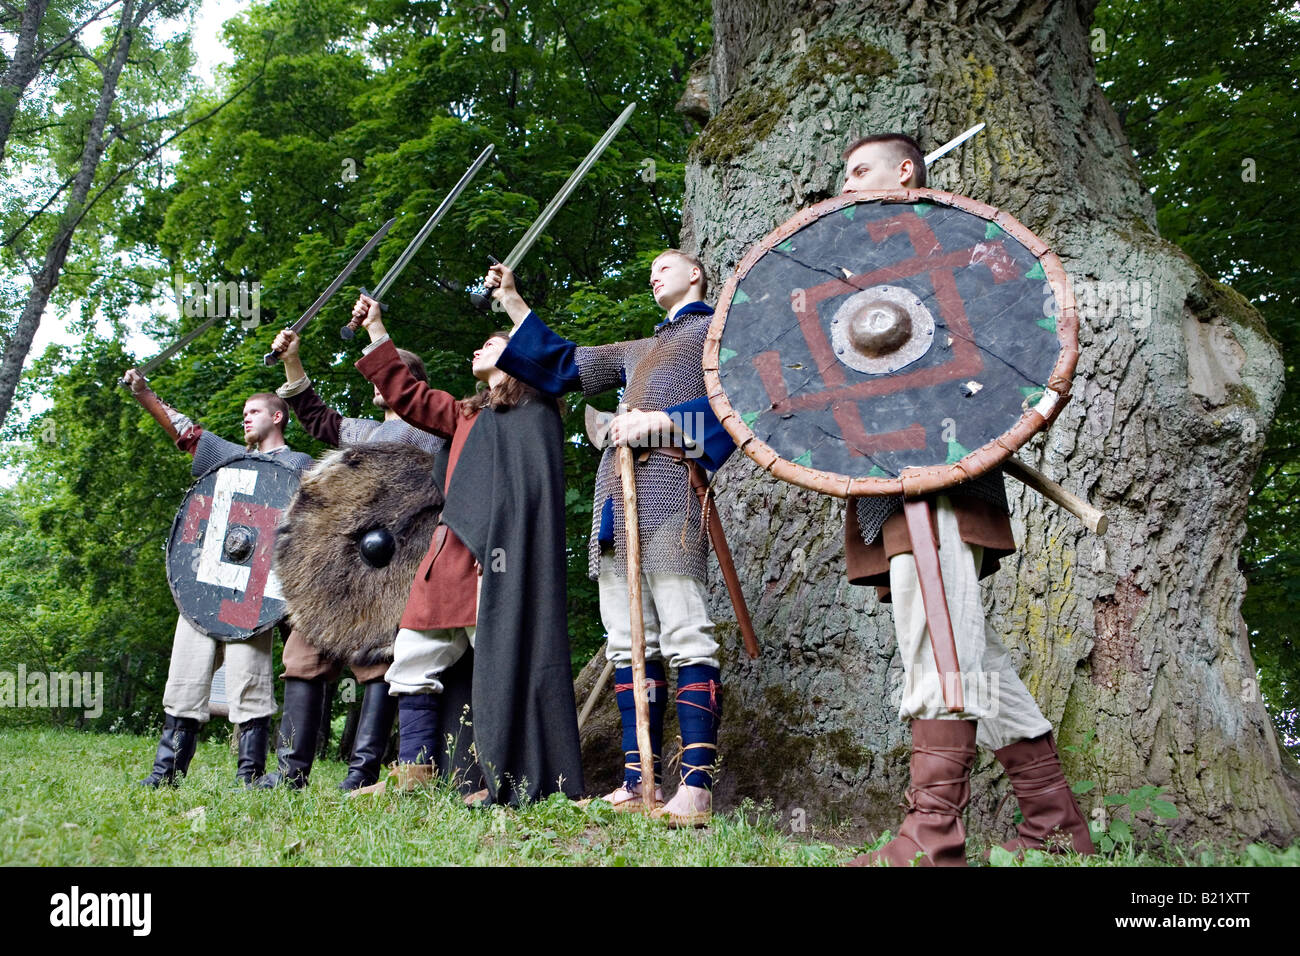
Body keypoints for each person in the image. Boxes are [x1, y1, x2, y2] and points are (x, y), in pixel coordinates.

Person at [838, 132, 1094, 865]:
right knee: (974, 654)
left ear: (906, 171)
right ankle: (1057, 824)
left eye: (861, 171)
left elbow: (1004, 352)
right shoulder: (863, 277)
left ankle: (933, 837)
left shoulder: (949, 260)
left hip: (939, 478)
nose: (847, 185)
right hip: (897, 480)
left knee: (939, 646)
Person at [484, 251, 734, 827]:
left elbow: (744, 403)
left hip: (671, 493)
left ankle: (695, 788)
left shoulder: (719, 335)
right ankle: (638, 778)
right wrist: (514, 301)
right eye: (648, 269)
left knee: (686, 633)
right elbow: (565, 364)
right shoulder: (639, 350)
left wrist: (664, 423)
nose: (653, 275)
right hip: (615, 506)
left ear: (695, 274)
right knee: (626, 643)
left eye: (664, 267)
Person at [348, 294, 583, 805]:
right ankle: (415, 771)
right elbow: (407, 395)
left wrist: (514, 303)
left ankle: (506, 775)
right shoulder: (463, 416)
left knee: (501, 667)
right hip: (447, 556)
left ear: (520, 358)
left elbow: (527, 499)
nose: (482, 346)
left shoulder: (536, 412)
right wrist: (376, 330)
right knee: (412, 659)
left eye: (494, 343)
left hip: (498, 562)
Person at [249, 329, 446, 791]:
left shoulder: (433, 429)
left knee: (377, 663)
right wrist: (292, 360)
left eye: (384, 371)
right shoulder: (366, 431)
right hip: (336, 561)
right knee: (303, 656)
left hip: (391, 568)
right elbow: (316, 417)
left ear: (405, 377)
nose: (373, 380)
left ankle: (361, 774)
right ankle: (291, 772)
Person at [124, 369, 313, 787]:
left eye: (254, 411)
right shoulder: (229, 458)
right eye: (244, 412)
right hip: (209, 581)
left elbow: (317, 528)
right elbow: (187, 433)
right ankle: (166, 773)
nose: (245, 418)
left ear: (278, 416)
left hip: (256, 590)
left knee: (250, 681)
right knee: (186, 675)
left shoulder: (300, 467)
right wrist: (145, 395)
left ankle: (250, 775)